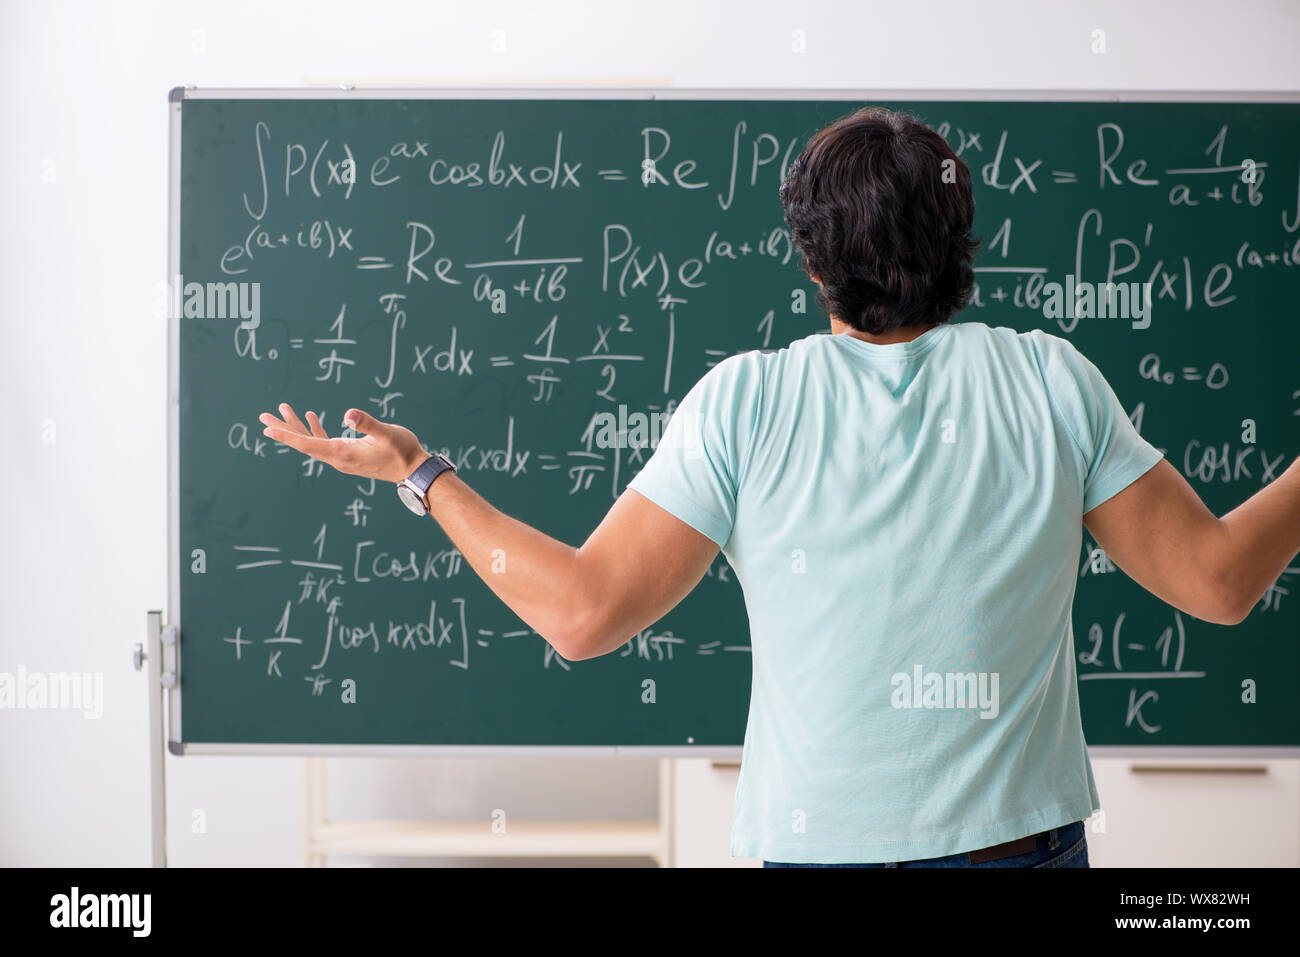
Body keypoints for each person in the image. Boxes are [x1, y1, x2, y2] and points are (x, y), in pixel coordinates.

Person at [260, 106, 1300, 867]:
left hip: (818, 852)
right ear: (960, 241)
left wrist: (423, 473)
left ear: (812, 263)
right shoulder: (1048, 381)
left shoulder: (745, 405)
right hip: (1015, 853)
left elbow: (580, 618)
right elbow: (1217, 584)